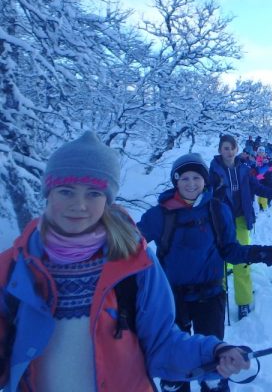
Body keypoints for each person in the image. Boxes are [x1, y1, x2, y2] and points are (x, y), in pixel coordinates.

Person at [0, 131, 250, 392]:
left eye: (94, 194)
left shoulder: (136, 264)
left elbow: (161, 343)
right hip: (178, 291)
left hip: (209, 293)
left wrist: (214, 352)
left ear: (108, 201)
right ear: (48, 193)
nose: (80, 205)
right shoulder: (13, 269)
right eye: (66, 191)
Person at [139, 152, 272, 392]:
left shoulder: (218, 210)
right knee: (176, 370)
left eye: (196, 178)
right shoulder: (159, 215)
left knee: (214, 366)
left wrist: (257, 253)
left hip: (210, 295)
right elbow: (130, 246)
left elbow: (229, 250)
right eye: (185, 178)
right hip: (171, 298)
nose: (191, 183)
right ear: (176, 181)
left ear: (205, 180)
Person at [209, 135, 272, 320]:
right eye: (226, 148)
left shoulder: (244, 169)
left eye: (232, 148)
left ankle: (244, 301)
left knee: (242, 260)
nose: (229, 151)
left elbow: (259, 188)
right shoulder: (213, 172)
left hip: (241, 220)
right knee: (219, 262)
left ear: (237, 149)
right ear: (219, 150)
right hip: (219, 222)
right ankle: (218, 299)